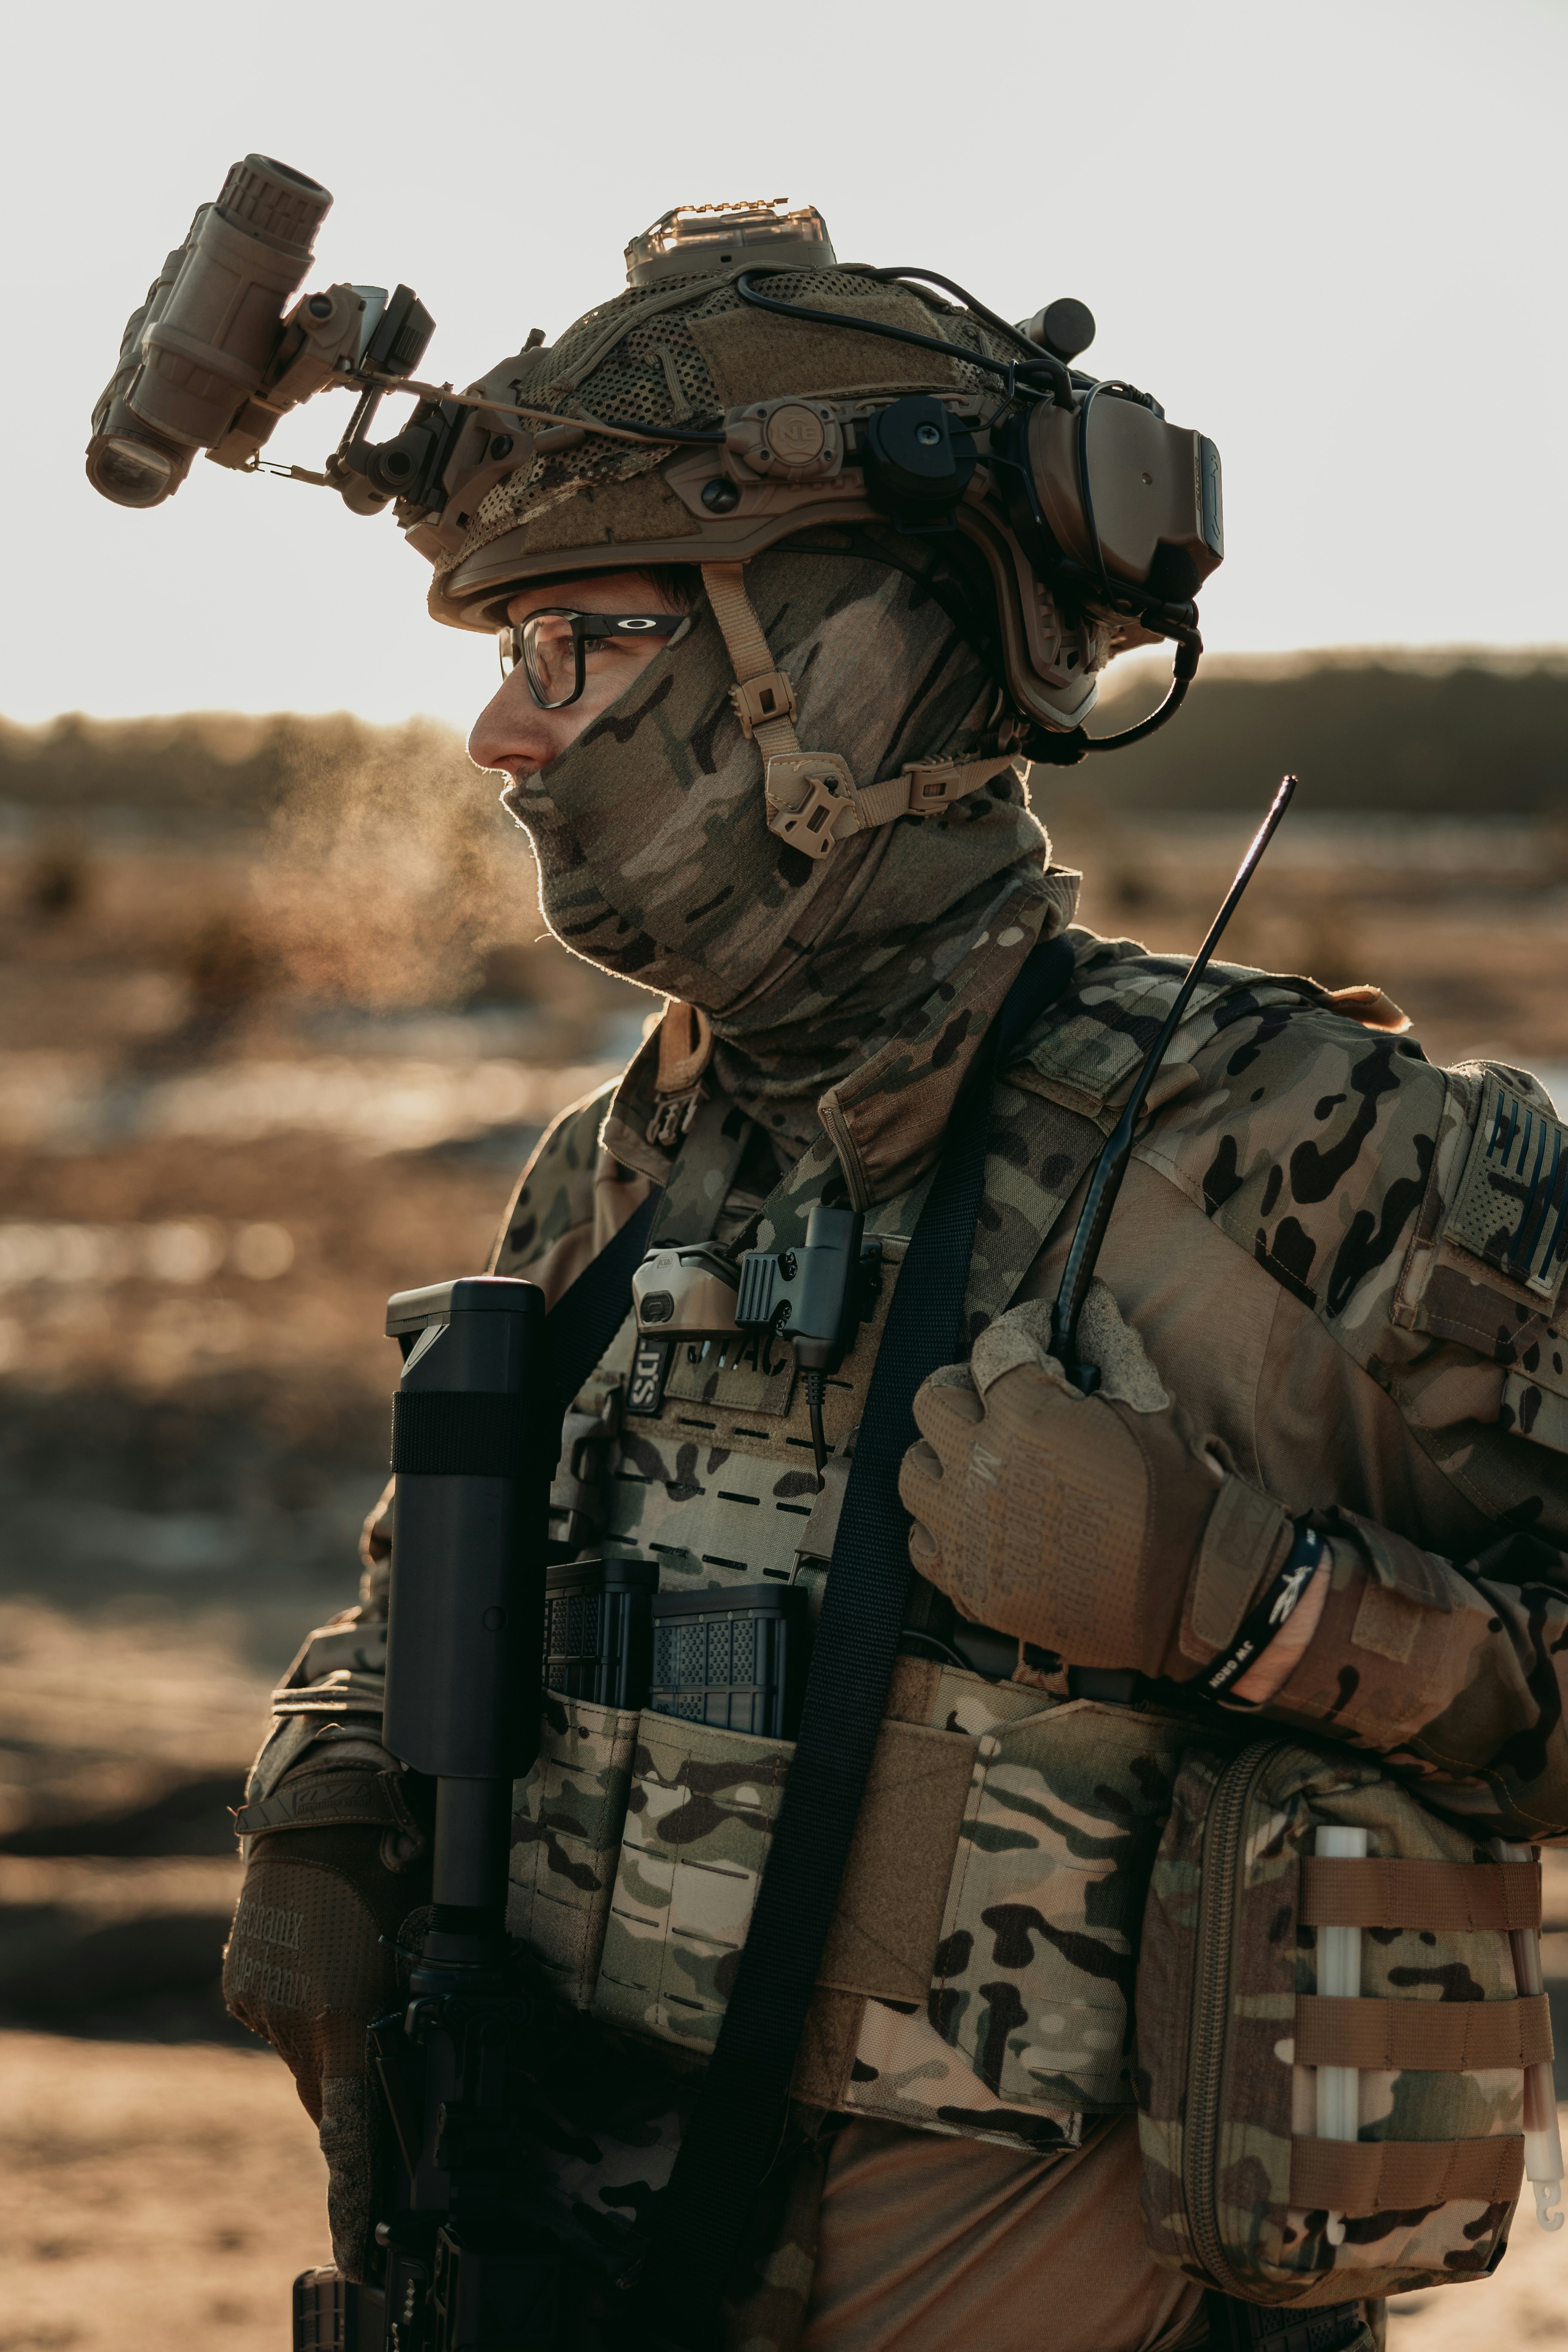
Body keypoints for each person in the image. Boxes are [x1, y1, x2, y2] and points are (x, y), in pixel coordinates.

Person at [223, 205, 1568, 2352]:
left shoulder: (1311, 1155)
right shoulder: (630, 1153)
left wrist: (1250, 1598)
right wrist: (328, 1780)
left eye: (573, 647)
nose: (501, 734)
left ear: (815, 668)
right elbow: (423, 1596)